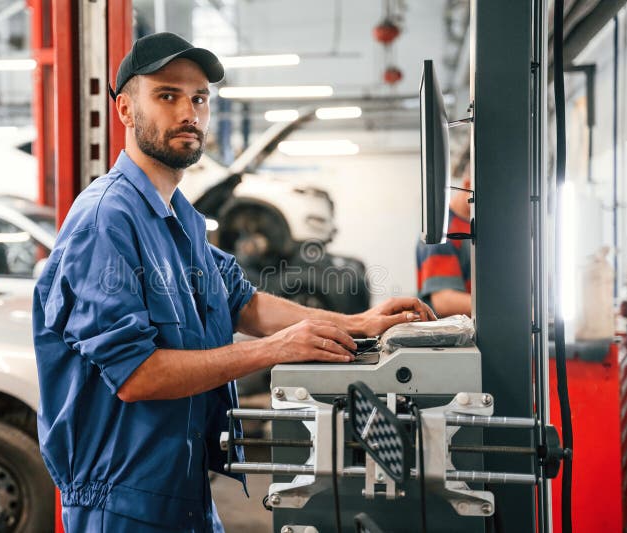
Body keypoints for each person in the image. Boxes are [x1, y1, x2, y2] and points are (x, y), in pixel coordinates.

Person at [33, 32, 435, 533]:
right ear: (125, 111)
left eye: (199, 98)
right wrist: (274, 350)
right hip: (120, 499)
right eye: (167, 96)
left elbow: (246, 304)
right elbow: (137, 376)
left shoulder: (181, 221)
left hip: (184, 488)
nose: (189, 112)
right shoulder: (105, 222)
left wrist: (358, 323)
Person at [415, 149, 473, 317]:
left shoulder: (475, 226)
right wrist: (507, 309)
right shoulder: (442, 229)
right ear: (469, 186)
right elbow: (443, 301)